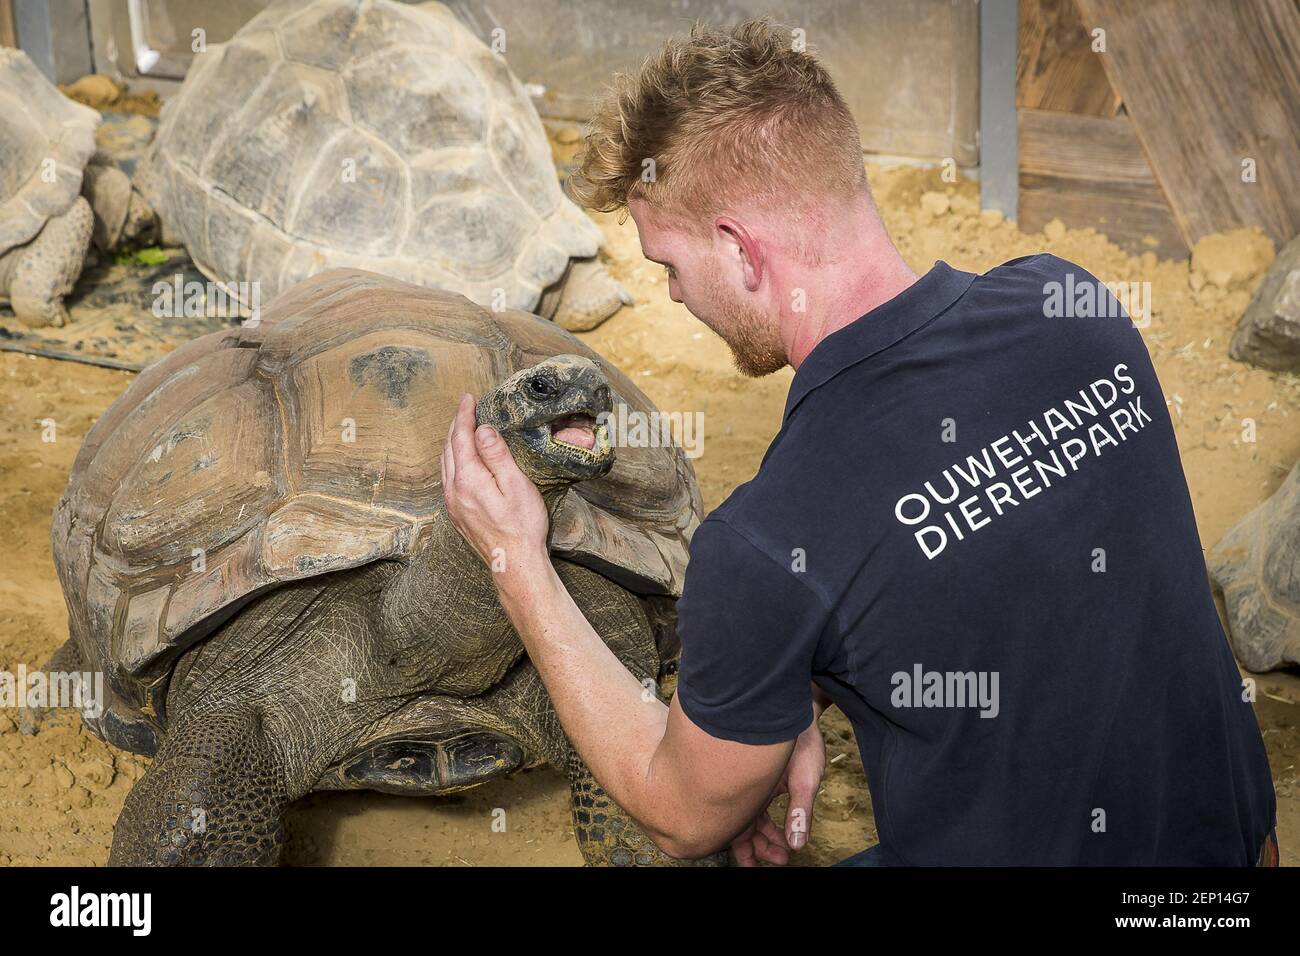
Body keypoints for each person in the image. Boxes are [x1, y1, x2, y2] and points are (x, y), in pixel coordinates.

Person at [441, 18, 1277, 865]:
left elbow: (681, 812)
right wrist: (790, 678)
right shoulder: (1072, 306)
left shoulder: (765, 540)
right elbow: (994, 570)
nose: (674, 295)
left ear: (739, 250)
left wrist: (519, 563)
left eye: (669, 264)